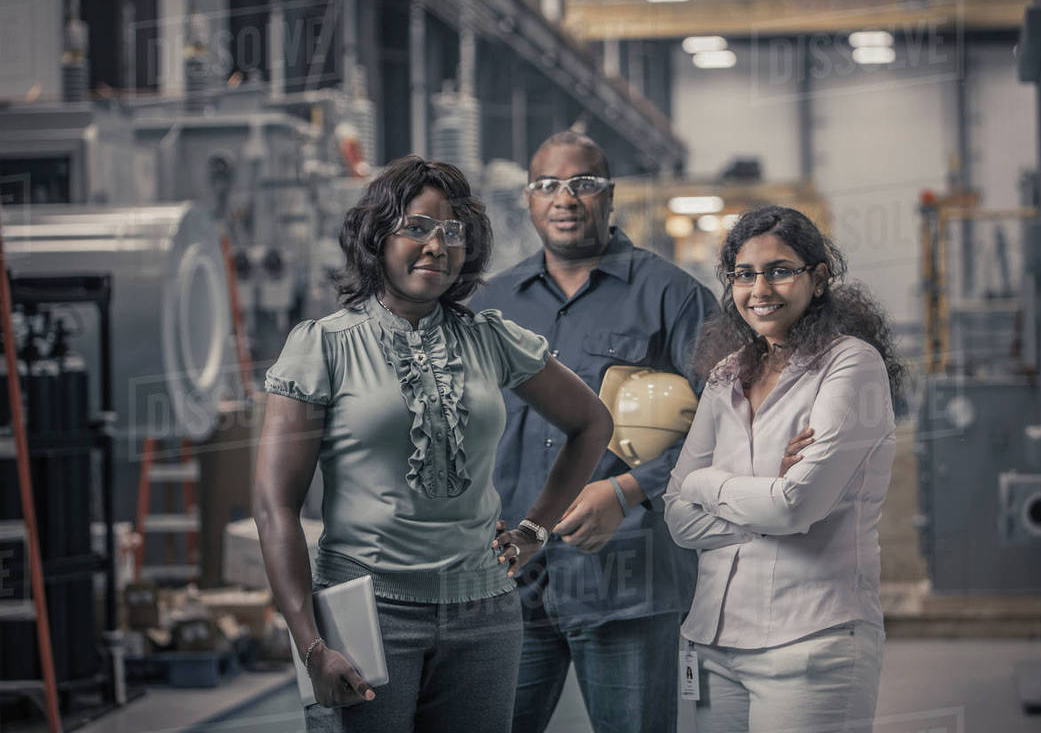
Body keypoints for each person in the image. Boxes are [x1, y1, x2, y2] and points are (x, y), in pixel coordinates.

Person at [253, 155, 612, 733]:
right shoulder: (322, 346)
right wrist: (311, 645)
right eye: (416, 227)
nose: (437, 246)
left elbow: (592, 422)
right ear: (377, 237)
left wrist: (534, 531)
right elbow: (275, 507)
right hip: (366, 613)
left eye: (452, 232)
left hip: (485, 616)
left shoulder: (491, 339)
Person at [473, 131, 717, 733]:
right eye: (548, 185)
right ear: (529, 202)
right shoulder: (490, 306)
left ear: (609, 197)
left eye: (582, 183)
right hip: (509, 583)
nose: (565, 198)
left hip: (627, 584)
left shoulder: (674, 298)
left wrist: (627, 489)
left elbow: (726, 425)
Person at [665, 205, 905, 733]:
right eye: (744, 275)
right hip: (711, 639)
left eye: (779, 270)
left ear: (817, 278)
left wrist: (707, 484)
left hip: (811, 640)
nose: (760, 289)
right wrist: (766, 495)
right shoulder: (728, 373)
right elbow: (677, 519)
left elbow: (796, 506)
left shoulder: (851, 365)